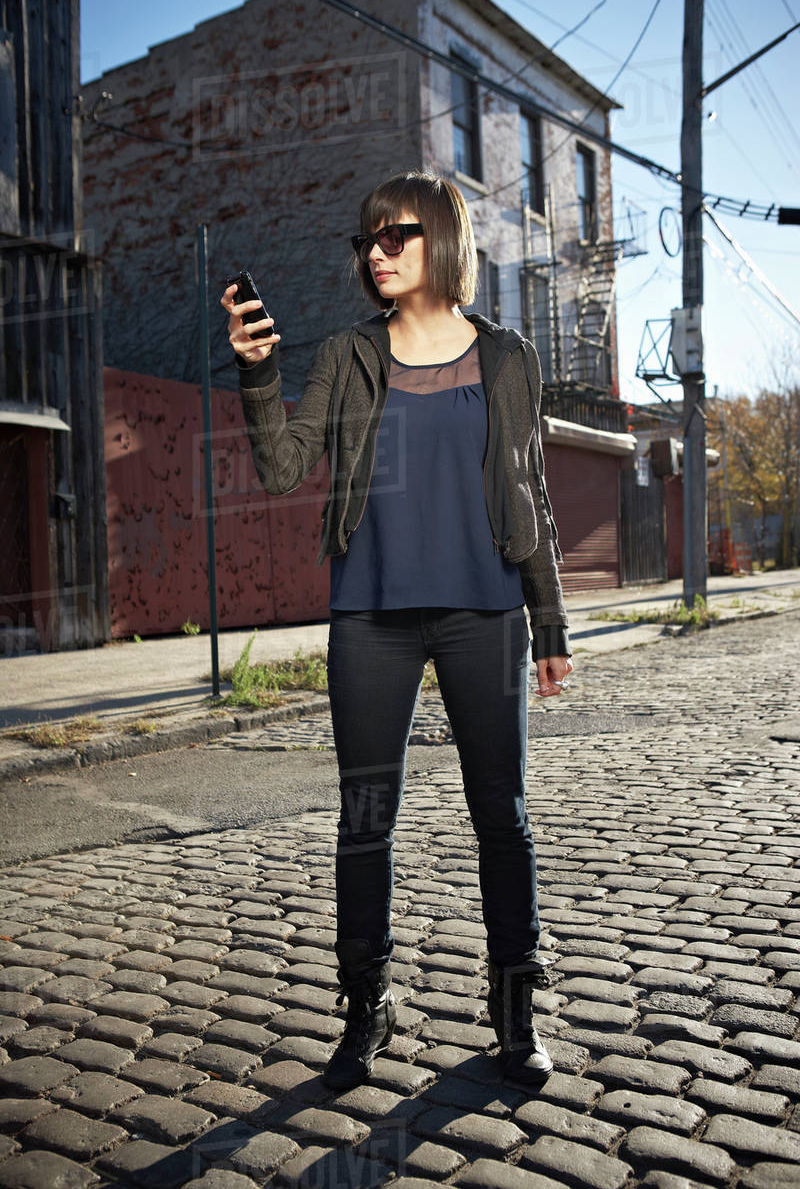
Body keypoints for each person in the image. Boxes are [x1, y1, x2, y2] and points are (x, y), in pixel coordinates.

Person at [221, 170, 572, 1092]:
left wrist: (551, 624)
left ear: (442, 241)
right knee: (365, 820)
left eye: (395, 236)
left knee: (504, 815)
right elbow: (285, 469)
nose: (375, 252)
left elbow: (530, 492)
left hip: (485, 615)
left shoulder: (508, 357)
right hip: (369, 616)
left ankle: (514, 1008)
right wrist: (259, 372)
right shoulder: (347, 356)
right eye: (366, 240)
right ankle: (364, 1003)